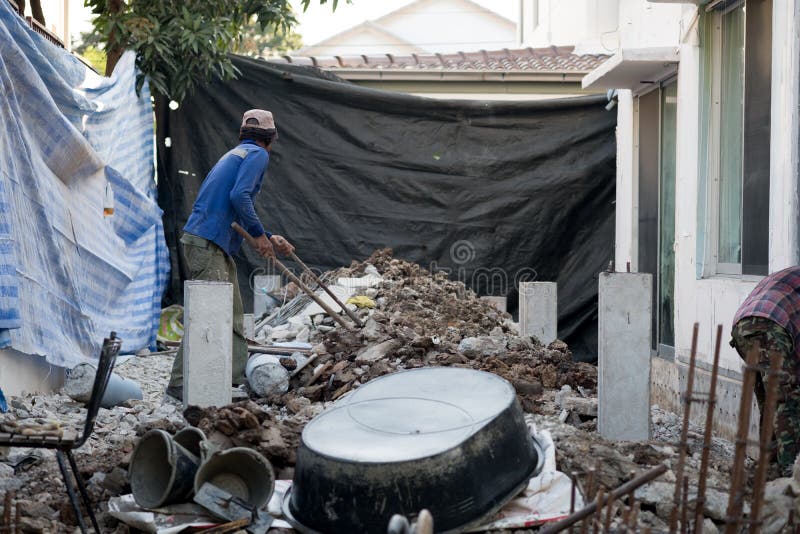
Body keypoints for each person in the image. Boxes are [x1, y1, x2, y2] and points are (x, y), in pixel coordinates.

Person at [166, 109, 294, 400]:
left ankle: (233, 379)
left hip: (209, 242)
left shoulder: (235, 154)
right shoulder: (258, 156)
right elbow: (240, 197)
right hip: (207, 244)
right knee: (208, 316)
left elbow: (233, 206)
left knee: (232, 313)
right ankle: (179, 384)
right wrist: (260, 236)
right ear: (270, 138)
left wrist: (268, 235)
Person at [730, 266, 800, 476]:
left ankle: (770, 466)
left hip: (743, 326)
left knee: (770, 401)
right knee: (787, 398)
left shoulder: (790, 275)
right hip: (771, 325)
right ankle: (790, 469)